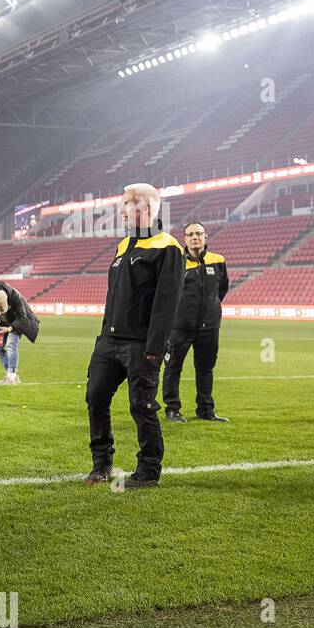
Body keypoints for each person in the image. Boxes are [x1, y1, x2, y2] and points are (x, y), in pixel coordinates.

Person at [84, 182, 184, 488]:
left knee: (141, 406)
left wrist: (154, 348)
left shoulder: (168, 247)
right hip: (109, 342)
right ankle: (102, 465)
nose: (121, 209)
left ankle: (149, 470)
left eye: (126, 203)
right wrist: (103, 338)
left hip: (141, 346)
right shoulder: (123, 245)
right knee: (95, 396)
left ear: (145, 207)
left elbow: (166, 304)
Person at [163, 221, 229, 423]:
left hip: (209, 327)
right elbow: (167, 293)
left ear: (205, 236)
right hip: (180, 327)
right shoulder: (176, 263)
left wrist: (211, 309)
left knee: (205, 369)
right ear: (184, 239)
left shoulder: (218, 260)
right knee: (173, 368)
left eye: (198, 233)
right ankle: (172, 409)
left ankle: (205, 409)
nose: (195, 237)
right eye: (190, 234)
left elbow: (222, 289)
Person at [0, 280, 39, 384]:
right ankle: (12, 375)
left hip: (17, 322)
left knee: (11, 345)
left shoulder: (15, 296)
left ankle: (11, 377)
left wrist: (10, 328)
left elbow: (23, 318)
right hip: (1, 323)